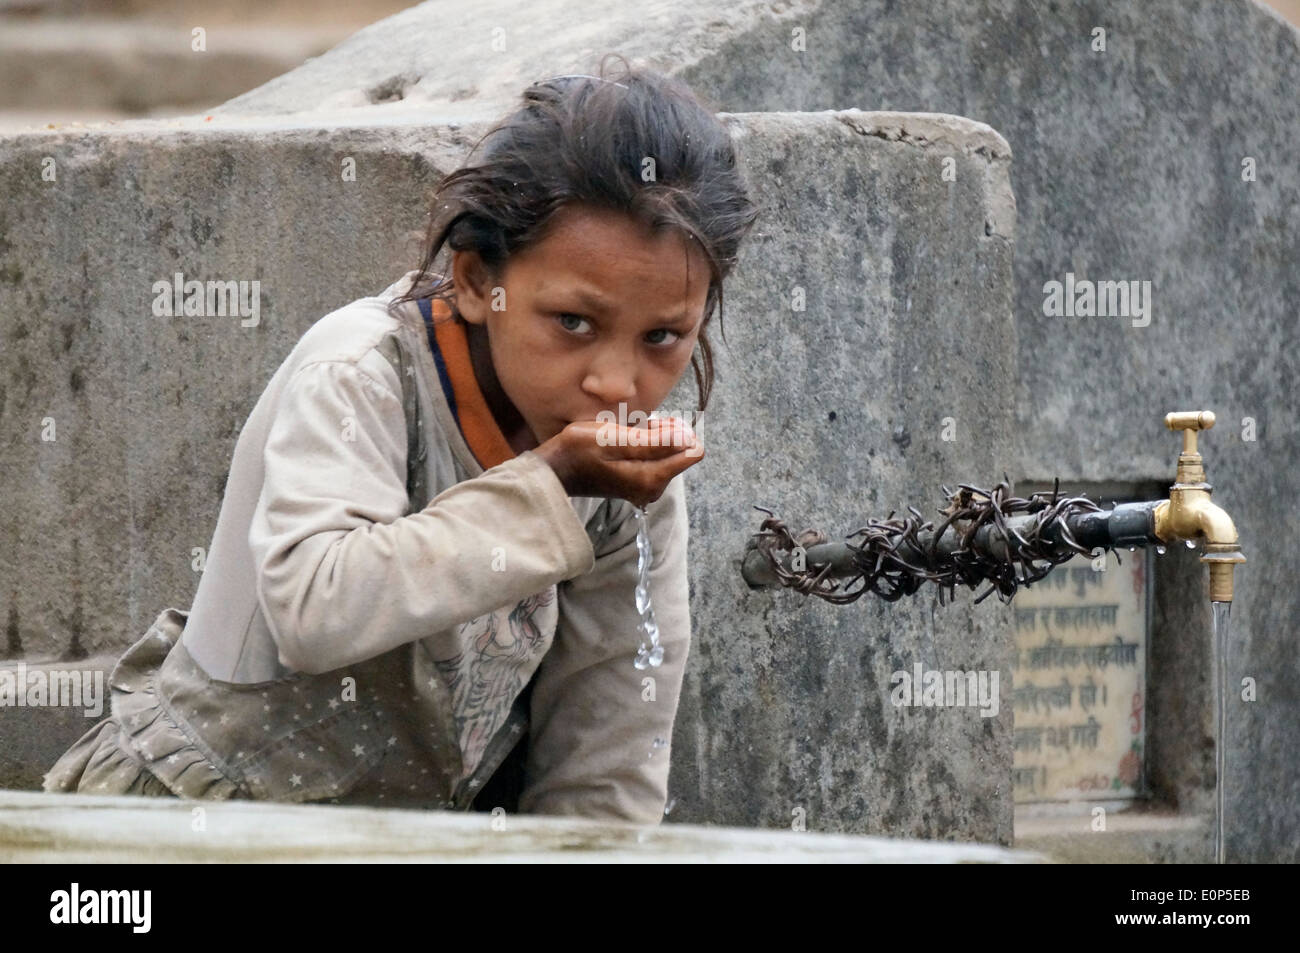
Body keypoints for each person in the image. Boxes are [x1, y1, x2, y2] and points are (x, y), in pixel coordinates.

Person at [41, 56, 760, 824]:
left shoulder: (625, 477)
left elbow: (608, 766)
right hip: (191, 823)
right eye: (573, 323)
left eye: (662, 336)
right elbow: (315, 605)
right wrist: (547, 483)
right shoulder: (363, 374)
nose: (617, 384)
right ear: (482, 281)